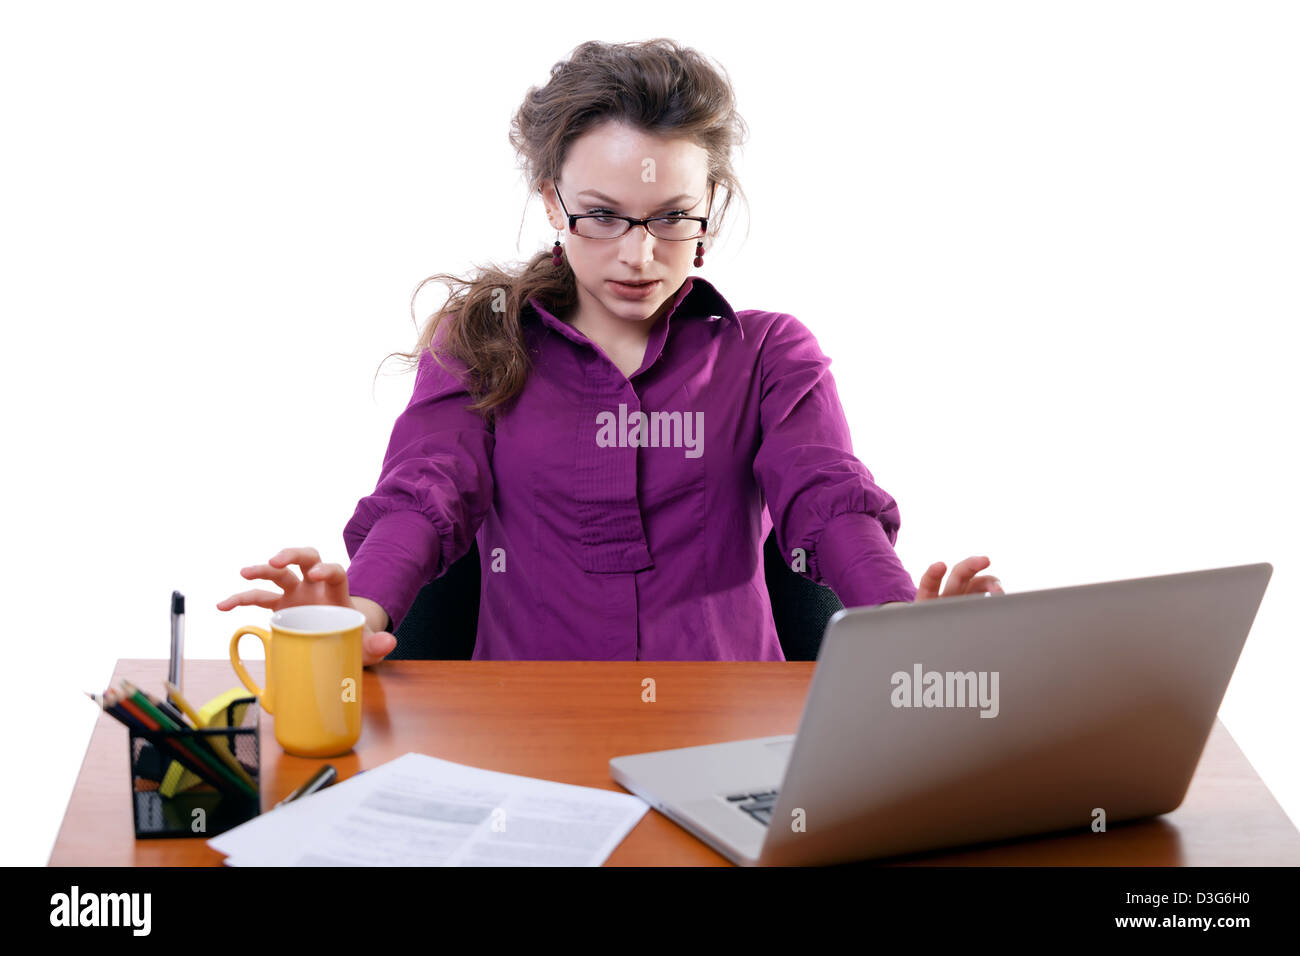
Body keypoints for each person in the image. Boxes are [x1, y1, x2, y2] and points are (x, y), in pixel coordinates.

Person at [217, 38, 1005, 666]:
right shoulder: (480, 339)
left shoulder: (769, 352)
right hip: (524, 737)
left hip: (733, 735)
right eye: (603, 216)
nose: (639, 256)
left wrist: (903, 624)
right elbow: (427, 490)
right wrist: (359, 608)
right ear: (551, 202)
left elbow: (826, 497)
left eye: (672, 218)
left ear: (711, 212)